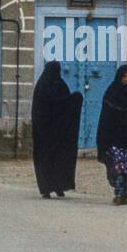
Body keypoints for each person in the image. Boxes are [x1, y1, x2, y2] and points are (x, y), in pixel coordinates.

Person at [31, 61, 82, 199]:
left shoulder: (42, 87)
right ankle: (52, 187)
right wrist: (76, 98)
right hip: (51, 134)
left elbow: (62, 105)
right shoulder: (56, 86)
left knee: (49, 159)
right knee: (55, 159)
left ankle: (53, 187)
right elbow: (64, 104)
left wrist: (74, 99)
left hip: (45, 134)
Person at [96, 63, 127, 206]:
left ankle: (124, 195)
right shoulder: (111, 92)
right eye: (124, 76)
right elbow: (106, 116)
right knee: (118, 167)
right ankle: (118, 194)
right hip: (115, 136)